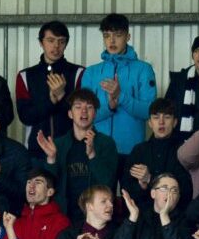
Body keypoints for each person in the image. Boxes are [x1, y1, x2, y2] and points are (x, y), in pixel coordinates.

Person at [78, 14, 156, 153]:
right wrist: (109, 106)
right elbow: (84, 116)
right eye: (107, 35)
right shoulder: (91, 72)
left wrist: (120, 97)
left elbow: (149, 112)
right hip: (97, 150)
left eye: (118, 35)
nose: (112, 40)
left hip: (132, 151)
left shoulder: (144, 70)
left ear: (128, 37)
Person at [15, 20, 85, 159]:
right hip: (36, 150)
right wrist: (51, 101)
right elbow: (26, 116)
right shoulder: (25, 76)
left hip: (72, 149)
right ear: (41, 43)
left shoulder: (78, 73)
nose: (56, 46)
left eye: (61, 41)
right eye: (50, 40)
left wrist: (62, 95)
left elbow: (83, 114)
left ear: (66, 44)